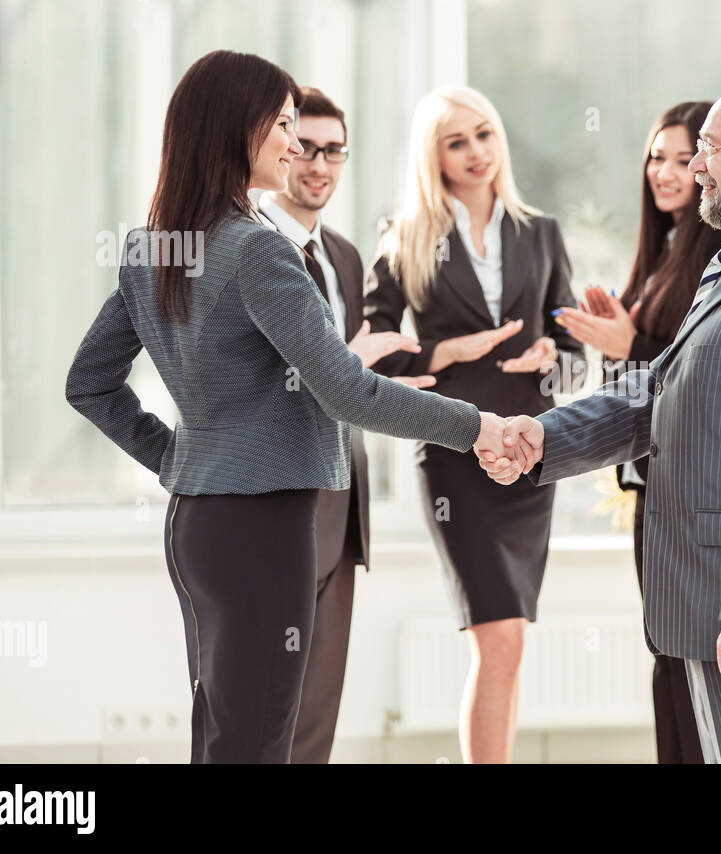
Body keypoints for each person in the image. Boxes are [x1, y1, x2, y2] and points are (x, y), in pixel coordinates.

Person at [64, 50, 516, 764]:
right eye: (282, 125)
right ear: (238, 128)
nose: (294, 142)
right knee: (259, 742)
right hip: (263, 528)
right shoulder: (260, 252)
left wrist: (183, 458)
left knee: (224, 737)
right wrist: (479, 426)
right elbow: (349, 390)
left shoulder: (154, 248)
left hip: (195, 526)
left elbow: (89, 384)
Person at [479, 74, 721, 764]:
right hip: (714, 612)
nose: (694, 168)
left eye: (711, 149)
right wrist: (545, 436)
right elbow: (658, 391)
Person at [364, 86, 584, 764]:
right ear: (433, 156)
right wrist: (444, 352)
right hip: (455, 455)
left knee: (510, 642)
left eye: (483, 134)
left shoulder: (540, 233)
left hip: (528, 454)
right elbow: (370, 348)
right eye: (455, 142)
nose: (476, 151)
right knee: (499, 637)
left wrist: (552, 356)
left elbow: (574, 347)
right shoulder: (404, 236)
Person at [254, 86, 434, 764]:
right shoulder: (247, 248)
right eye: (304, 147)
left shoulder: (346, 257)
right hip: (273, 502)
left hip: (340, 506)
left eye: (334, 151)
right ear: (278, 148)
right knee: (263, 708)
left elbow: (348, 378)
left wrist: (380, 387)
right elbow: (256, 382)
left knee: (316, 713)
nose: (319, 165)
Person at [552, 100, 721, 764]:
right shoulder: (664, 252)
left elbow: (700, 379)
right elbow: (642, 384)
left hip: (690, 493)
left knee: (690, 665)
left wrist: (631, 344)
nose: (667, 172)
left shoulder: (718, 257)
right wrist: (620, 338)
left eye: (684, 159)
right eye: (657, 157)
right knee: (667, 656)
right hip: (653, 491)